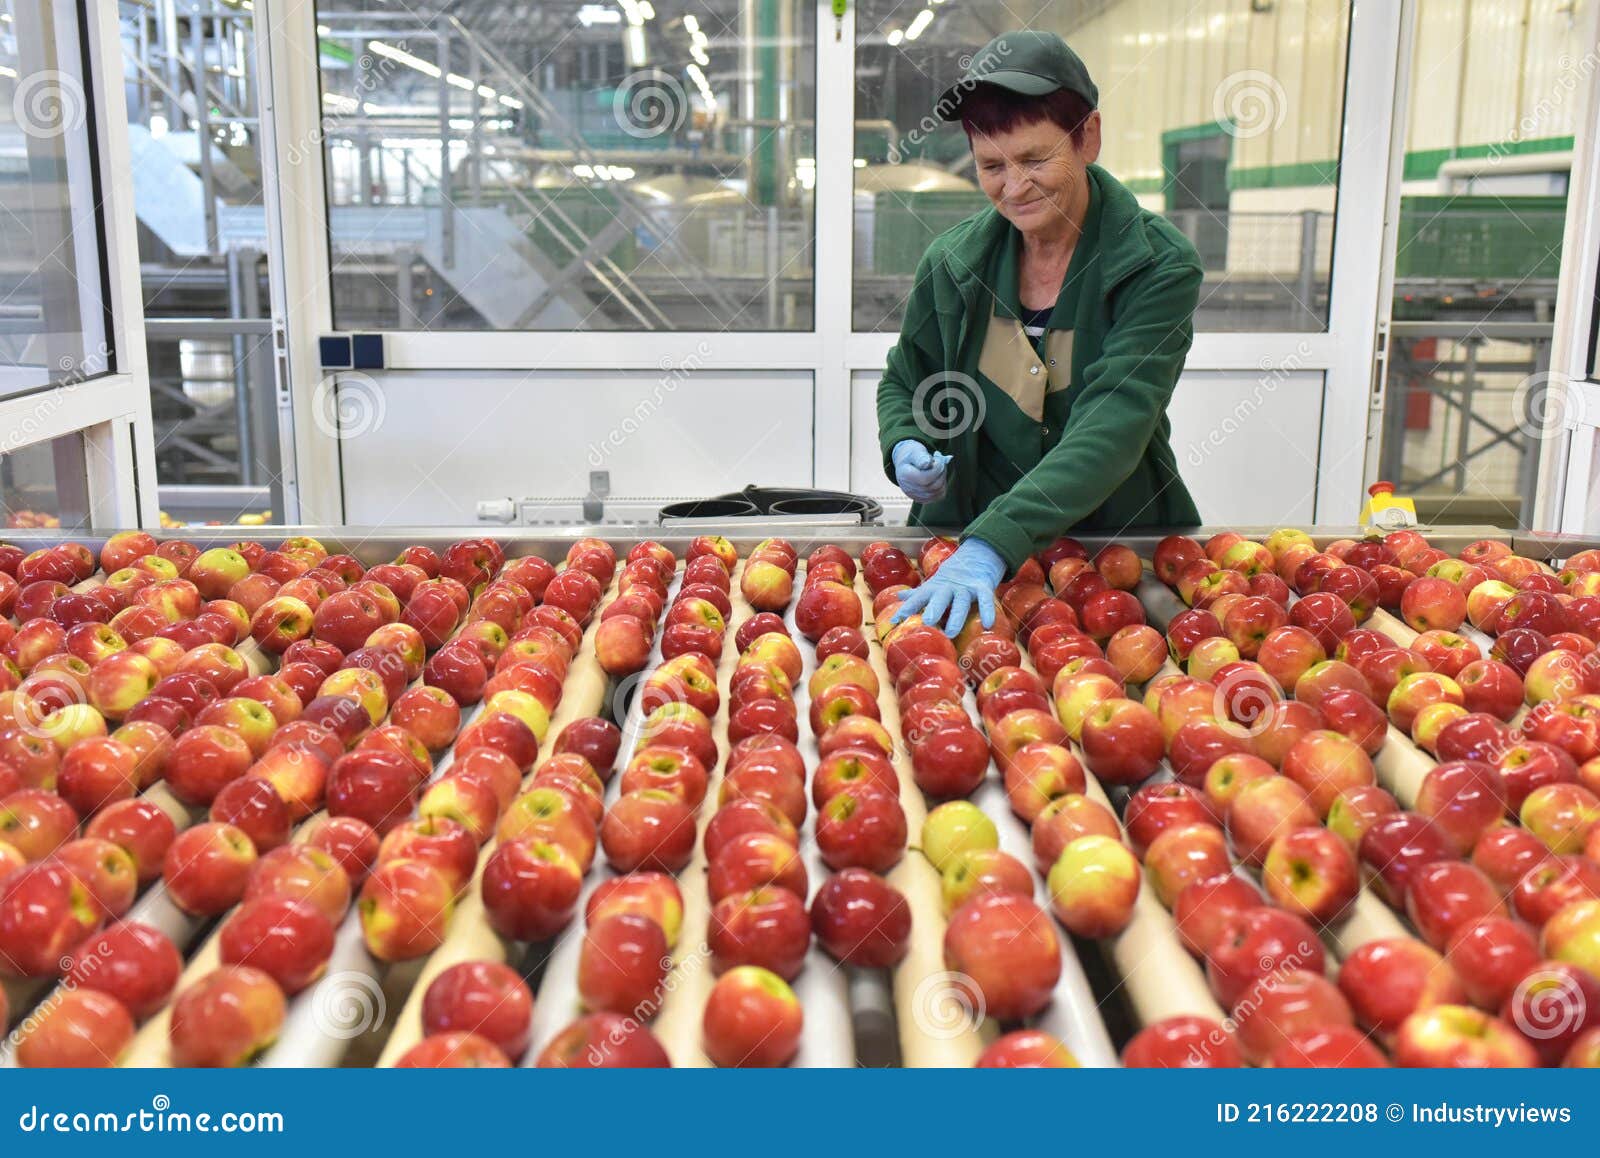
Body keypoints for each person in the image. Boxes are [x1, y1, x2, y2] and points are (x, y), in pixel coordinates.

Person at [879, 31, 1203, 636]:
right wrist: (903, 443)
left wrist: (992, 543)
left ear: (1088, 138)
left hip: (1112, 551)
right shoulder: (954, 264)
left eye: (1034, 160)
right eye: (991, 166)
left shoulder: (1156, 265)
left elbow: (1113, 423)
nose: (1014, 186)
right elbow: (906, 377)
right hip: (969, 551)